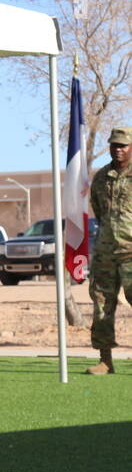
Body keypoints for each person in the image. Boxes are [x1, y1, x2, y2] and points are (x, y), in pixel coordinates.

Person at [86, 126, 132, 375]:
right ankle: (105, 360)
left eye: (123, 145)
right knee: (102, 304)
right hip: (106, 252)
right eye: (115, 145)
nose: (118, 149)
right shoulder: (102, 177)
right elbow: (98, 209)